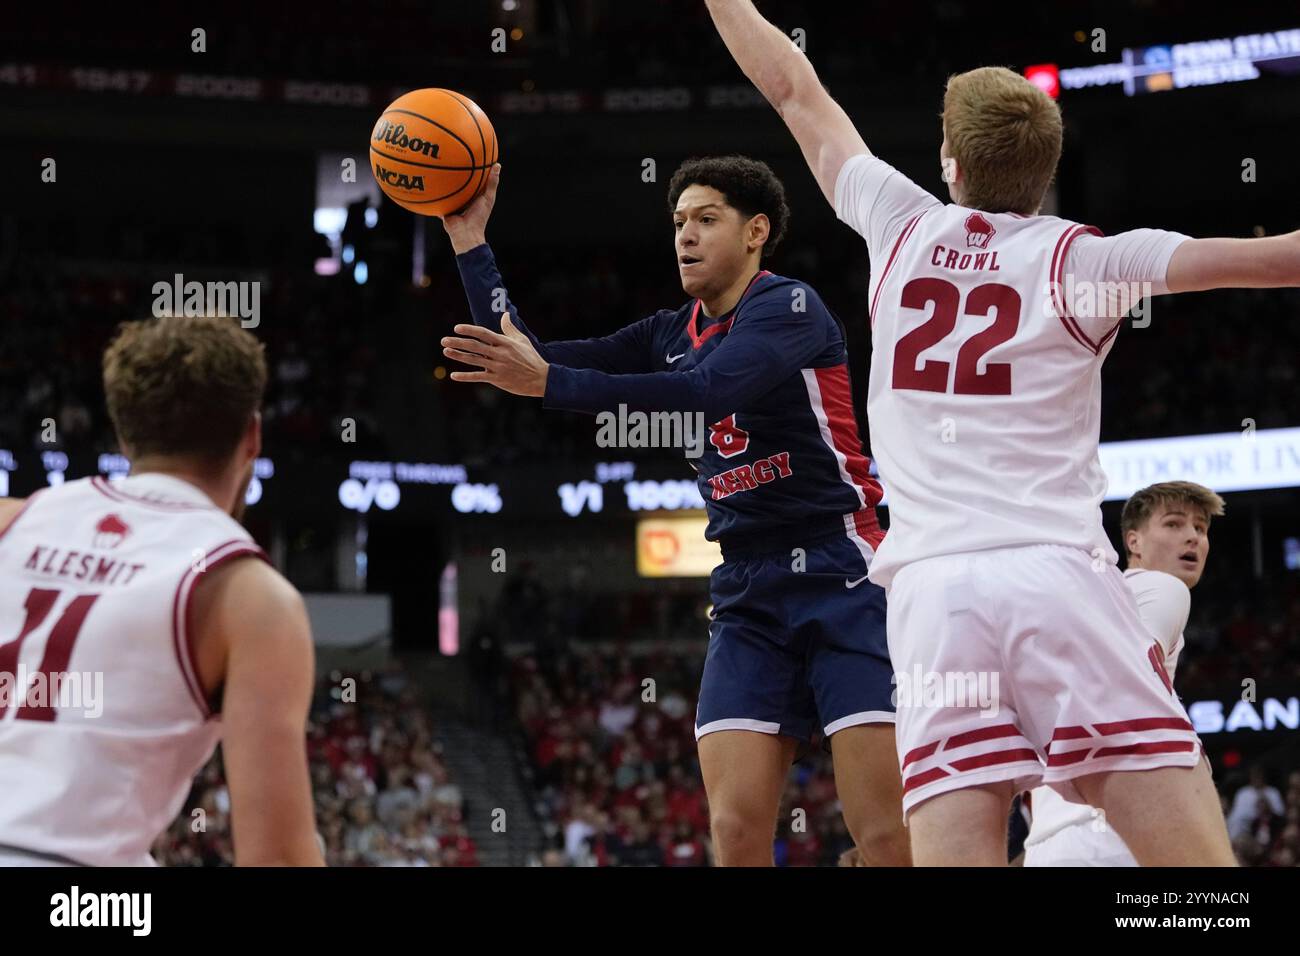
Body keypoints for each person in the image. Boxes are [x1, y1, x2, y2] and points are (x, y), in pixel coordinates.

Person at [705, 0, 1298, 865]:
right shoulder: (1086, 259)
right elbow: (1274, 259)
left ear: (948, 161)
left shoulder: (900, 223)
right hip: (1057, 581)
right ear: (1048, 168)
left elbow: (793, 87)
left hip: (934, 601)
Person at [438, 157, 909, 865]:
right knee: (736, 831)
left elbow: (711, 391)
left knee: (884, 835)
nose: (685, 236)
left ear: (757, 232)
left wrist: (553, 383)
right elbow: (522, 356)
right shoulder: (667, 332)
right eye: (678, 222)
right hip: (747, 588)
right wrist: (469, 239)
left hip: (843, 567)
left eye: (706, 219)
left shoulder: (790, 309)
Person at [0, 315, 322, 867]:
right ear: (253, 437)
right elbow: (278, 859)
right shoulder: (250, 597)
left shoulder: (12, 521)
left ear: (125, 432)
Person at [1023, 481, 1225, 865]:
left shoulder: (1085, 599)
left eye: (1200, 528)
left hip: (1051, 841)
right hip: (1119, 829)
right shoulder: (1162, 587)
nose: (1192, 538)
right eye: (1173, 524)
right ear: (1133, 541)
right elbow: (1122, 683)